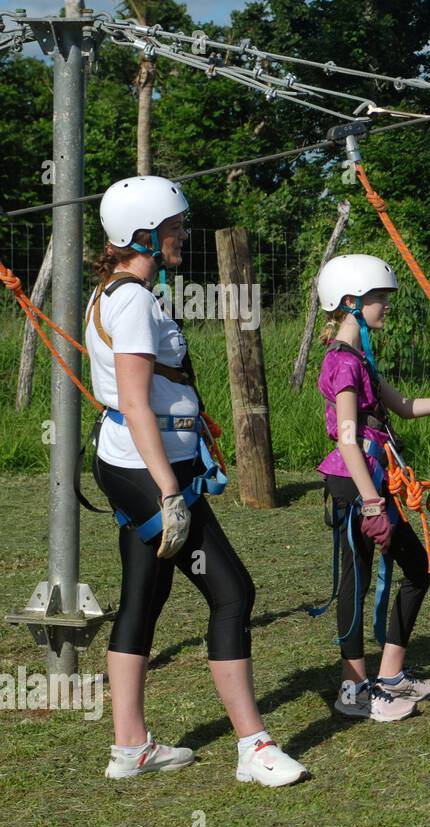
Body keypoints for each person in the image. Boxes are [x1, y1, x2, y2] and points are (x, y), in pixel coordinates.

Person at [88, 175, 307, 785]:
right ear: (143, 236)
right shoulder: (131, 299)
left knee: (145, 595)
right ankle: (254, 748)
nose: (183, 235)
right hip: (146, 470)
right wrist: (167, 491)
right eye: (174, 228)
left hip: (139, 463)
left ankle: (130, 748)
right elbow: (134, 402)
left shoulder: (119, 291)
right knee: (233, 593)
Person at [314, 254, 430, 720]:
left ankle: (391, 677)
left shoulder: (361, 358)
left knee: (418, 569)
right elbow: (346, 436)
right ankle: (355, 690)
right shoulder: (342, 363)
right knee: (356, 582)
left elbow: (403, 407)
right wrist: (373, 502)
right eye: (379, 297)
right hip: (355, 486)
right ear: (351, 302)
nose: (385, 306)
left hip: (371, 482)